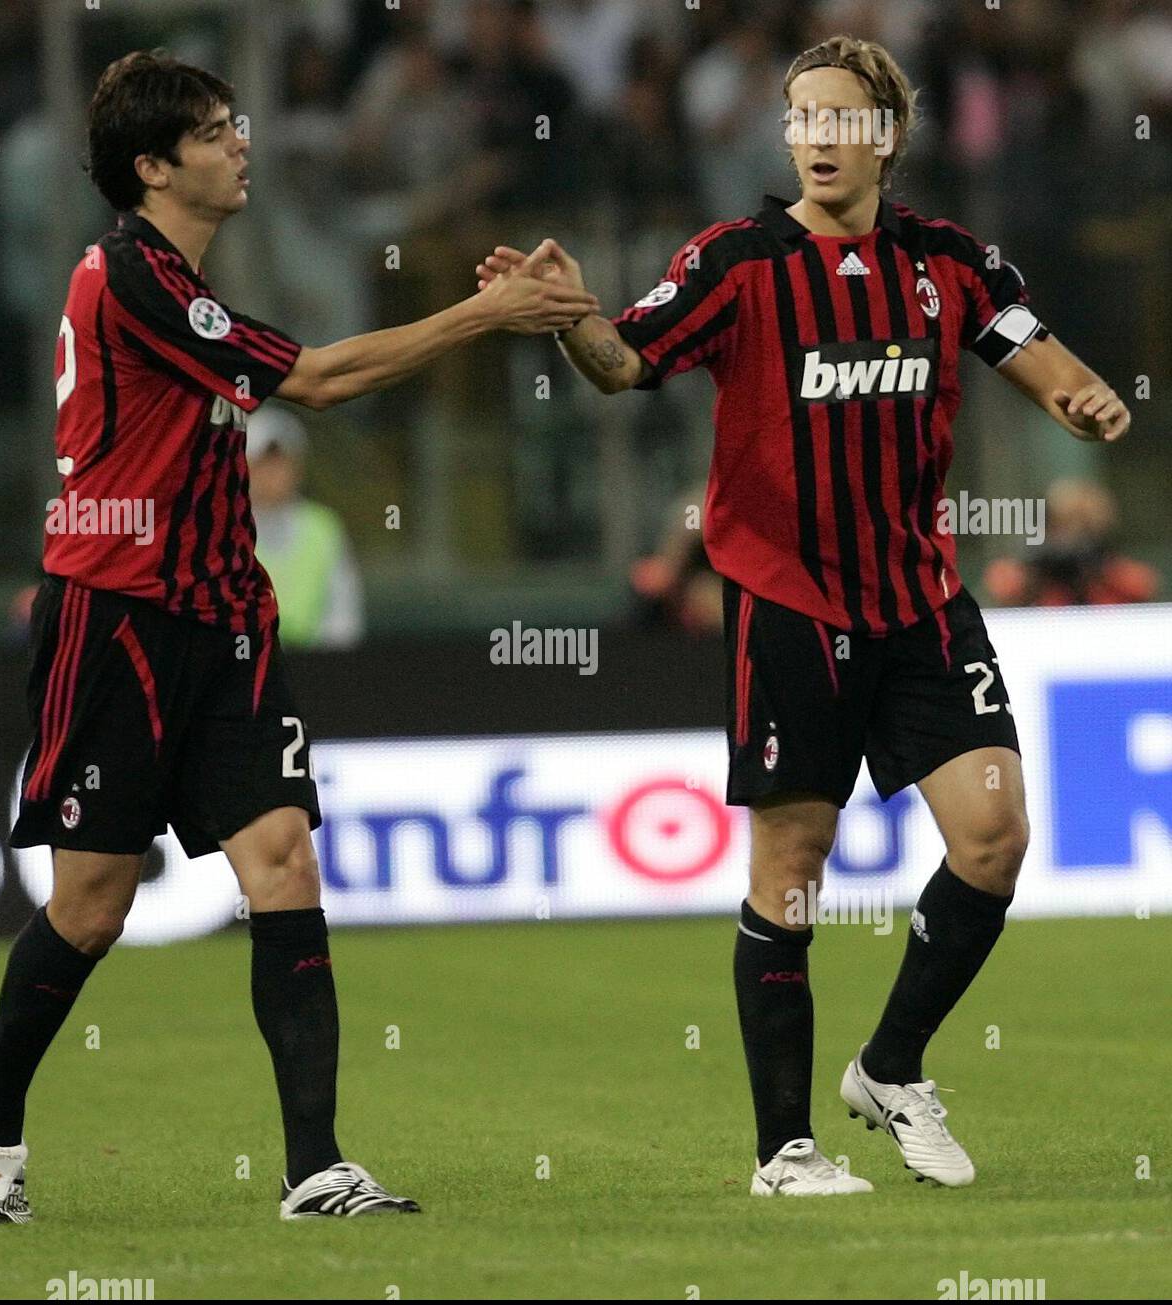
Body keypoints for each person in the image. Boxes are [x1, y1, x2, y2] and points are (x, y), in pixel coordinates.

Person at [0, 48, 596, 1227]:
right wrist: (488, 311)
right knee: (93, 905)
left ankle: (314, 1167)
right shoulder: (128, 276)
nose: (240, 141)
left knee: (285, 861)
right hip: (118, 617)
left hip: (226, 617)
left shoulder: (183, 280)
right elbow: (320, 379)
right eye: (213, 130)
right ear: (151, 167)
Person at [478, 33, 1131, 1196]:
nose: (819, 137)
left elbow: (1026, 346)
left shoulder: (944, 258)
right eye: (802, 117)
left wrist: (1079, 396)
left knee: (993, 836)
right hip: (785, 602)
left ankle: (888, 1065)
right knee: (792, 862)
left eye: (842, 119)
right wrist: (563, 315)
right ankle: (783, 1150)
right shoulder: (734, 260)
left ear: (886, 136)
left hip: (919, 599)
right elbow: (625, 364)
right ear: (783, 135)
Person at [246, 407, 365, 649]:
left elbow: (343, 618)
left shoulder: (323, 527)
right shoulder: (223, 530)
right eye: (263, 463)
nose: (273, 474)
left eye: (281, 463)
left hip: (314, 673)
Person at [984, 477, 1159, 607]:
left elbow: (1143, 586)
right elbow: (1000, 588)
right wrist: (1035, 571)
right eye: (1064, 524)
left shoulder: (1112, 574)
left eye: (1084, 528)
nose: (1071, 539)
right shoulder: (1029, 571)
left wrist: (1098, 572)